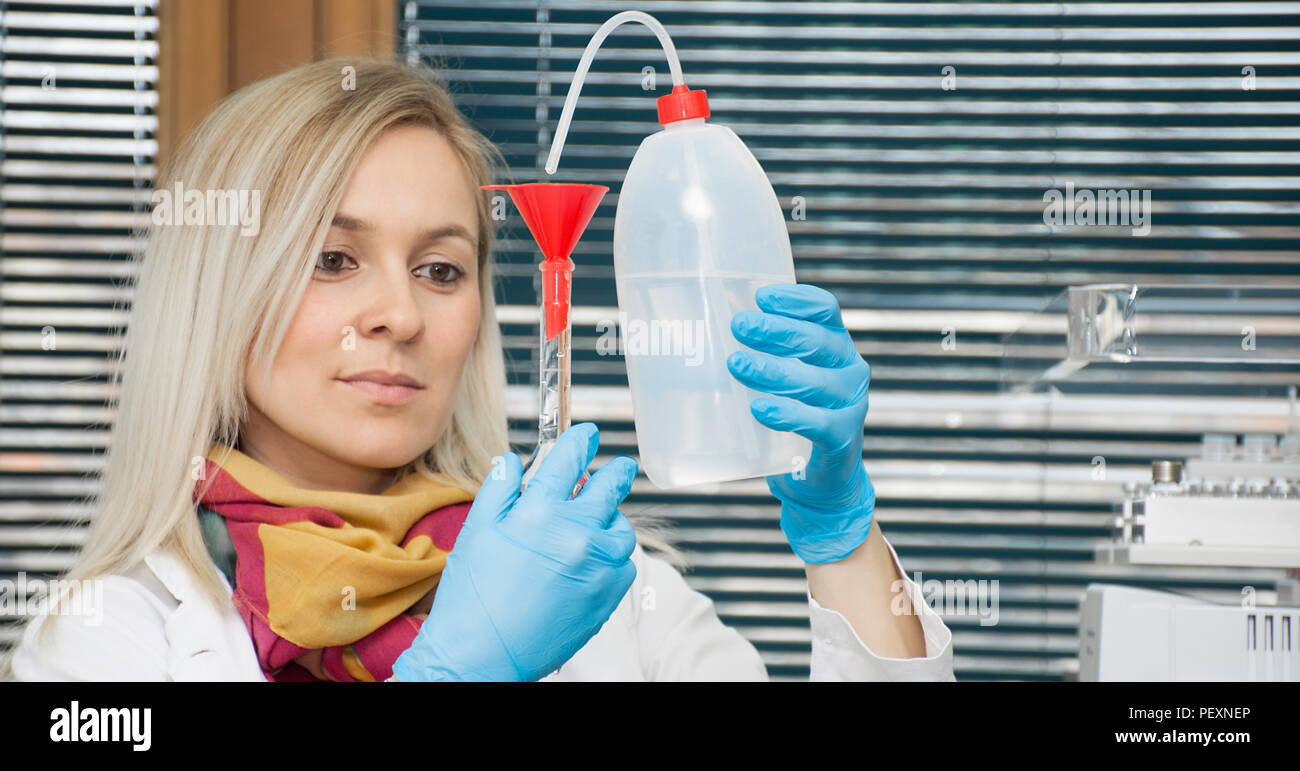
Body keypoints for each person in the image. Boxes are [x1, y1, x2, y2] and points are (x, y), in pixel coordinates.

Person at [4, 57, 953, 682]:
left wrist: (840, 531)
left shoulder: (608, 595)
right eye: (333, 259)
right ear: (218, 287)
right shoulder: (108, 641)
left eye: (440, 269)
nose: (403, 315)